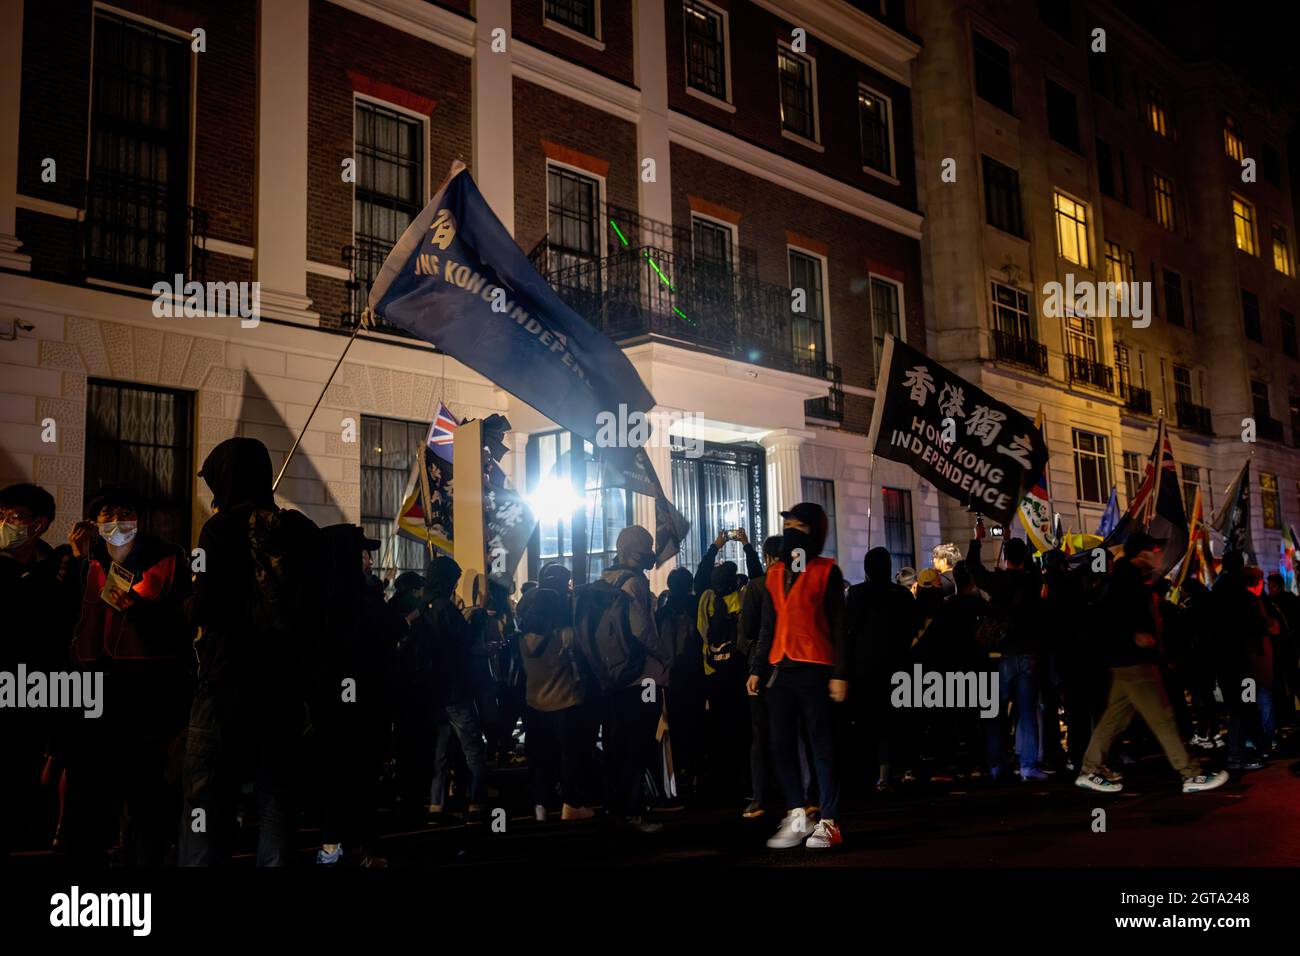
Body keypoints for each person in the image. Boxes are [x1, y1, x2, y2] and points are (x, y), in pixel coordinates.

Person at [180, 437, 320, 866]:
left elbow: (203, 602)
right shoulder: (301, 530)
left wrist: (185, 604)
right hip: (284, 683)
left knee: (205, 792)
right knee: (276, 795)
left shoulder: (216, 530)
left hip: (226, 680)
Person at [61, 484, 193, 866]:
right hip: (94, 689)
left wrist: (138, 609)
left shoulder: (166, 559)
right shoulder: (83, 561)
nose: (116, 520)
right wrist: (77, 558)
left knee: (146, 790)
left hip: (147, 692)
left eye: (125, 512)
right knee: (93, 788)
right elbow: (66, 617)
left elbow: (180, 627)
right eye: (107, 513)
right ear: (93, 521)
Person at [1075, 533, 1229, 795]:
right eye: (1155, 549)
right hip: (1135, 661)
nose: (1159, 554)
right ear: (1142, 553)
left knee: (1114, 720)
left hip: (1127, 660)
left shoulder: (1129, 578)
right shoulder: (1126, 579)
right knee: (1162, 718)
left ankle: (1089, 770)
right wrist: (1134, 635)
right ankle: (1190, 773)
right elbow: (1110, 615)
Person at [747, 502, 847, 850]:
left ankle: (830, 820)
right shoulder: (775, 575)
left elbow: (839, 626)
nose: (790, 532)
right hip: (781, 667)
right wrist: (758, 669)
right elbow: (767, 626)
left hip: (816, 667)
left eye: (798, 527)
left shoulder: (826, 571)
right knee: (780, 744)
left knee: (821, 745)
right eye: (787, 525)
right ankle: (797, 812)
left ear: (814, 532)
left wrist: (840, 673)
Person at [315, 525, 401, 866]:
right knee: (356, 780)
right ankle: (352, 847)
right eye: (363, 554)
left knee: (344, 780)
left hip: (340, 706)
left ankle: (336, 847)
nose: (369, 560)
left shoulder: (324, 598)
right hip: (357, 708)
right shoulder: (357, 600)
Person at [0, 483, 75, 860]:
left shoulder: (53, 572)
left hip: (35, 701)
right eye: (0, 516)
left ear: (38, 525)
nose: (3, 524)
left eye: (12, 517)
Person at [595, 525, 673, 834]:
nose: (650, 556)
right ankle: (633, 811)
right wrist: (665, 655)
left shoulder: (605, 580)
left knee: (616, 743)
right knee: (639, 742)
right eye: (646, 550)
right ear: (630, 552)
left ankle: (615, 807)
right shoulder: (635, 583)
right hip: (645, 679)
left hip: (614, 676)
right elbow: (643, 630)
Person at [965, 536, 1046, 781]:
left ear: (1005, 557)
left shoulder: (998, 581)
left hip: (1001, 655)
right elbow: (1034, 568)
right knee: (1027, 712)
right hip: (1028, 653)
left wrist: (977, 541)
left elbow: (974, 567)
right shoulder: (1033, 580)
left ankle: (996, 764)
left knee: (994, 713)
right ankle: (1028, 766)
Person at [517, 582, 593, 821]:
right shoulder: (565, 635)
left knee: (541, 758)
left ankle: (540, 805)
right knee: (569, 756)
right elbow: (582, 662)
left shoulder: (522, 641)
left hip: (534, 705)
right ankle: (571, 804)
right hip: (565, 703)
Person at [846, 546, 919, 792]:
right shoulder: (903, 595)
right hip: (898, 664)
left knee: (870, 721)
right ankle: (903, 768)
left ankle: (876, 771)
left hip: (866, 667)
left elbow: (849, 629)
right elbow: (912, 627)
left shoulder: (855, 594)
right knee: (899, 719)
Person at [423, 556, 489, 823]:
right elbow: (464, 639)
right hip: (454, 689)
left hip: (432, 690)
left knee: (439, 753)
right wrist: (480, 613)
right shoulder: (445, 609)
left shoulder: (424, 607)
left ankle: (435, 802)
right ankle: (475, 801)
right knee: (472, 748)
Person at [697, 560, 750, 803]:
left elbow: (701, 630)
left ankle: (720, 779)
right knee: (739, 725)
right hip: (738, 672)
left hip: (712, 672)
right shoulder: (741, 598)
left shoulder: (707, 598)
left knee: (716, 726)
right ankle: (742, 778)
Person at [738, 535, 783, 817]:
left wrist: (751, 660)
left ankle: (760, 796)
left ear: (767, 557)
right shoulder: (795, 583)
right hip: (791, 663)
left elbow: (747, 630)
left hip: (762, 665)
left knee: (760, 732)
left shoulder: (756, 587)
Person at [656, 567, 704, 799]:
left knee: (674, 725)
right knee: (694, 723)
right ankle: (694, 769)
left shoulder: (662, 613)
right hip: (693, 674)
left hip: (670, 676)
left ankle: (678, 772)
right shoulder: (696, 608)